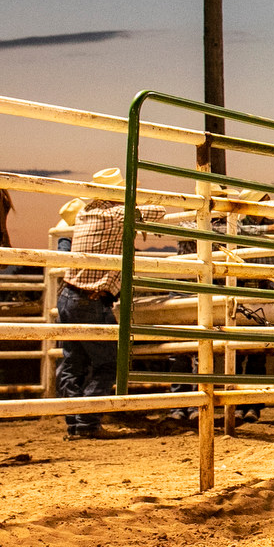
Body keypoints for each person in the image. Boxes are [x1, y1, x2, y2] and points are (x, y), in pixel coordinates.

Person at [56, 169, 165, 439]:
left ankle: (75, 423)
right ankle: (87, 421)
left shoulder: (84, 214)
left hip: (68, 296)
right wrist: (136, 202)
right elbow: (159, 211)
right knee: (109, 363)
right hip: (92, 300)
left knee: (72, 363)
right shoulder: (117, 214)